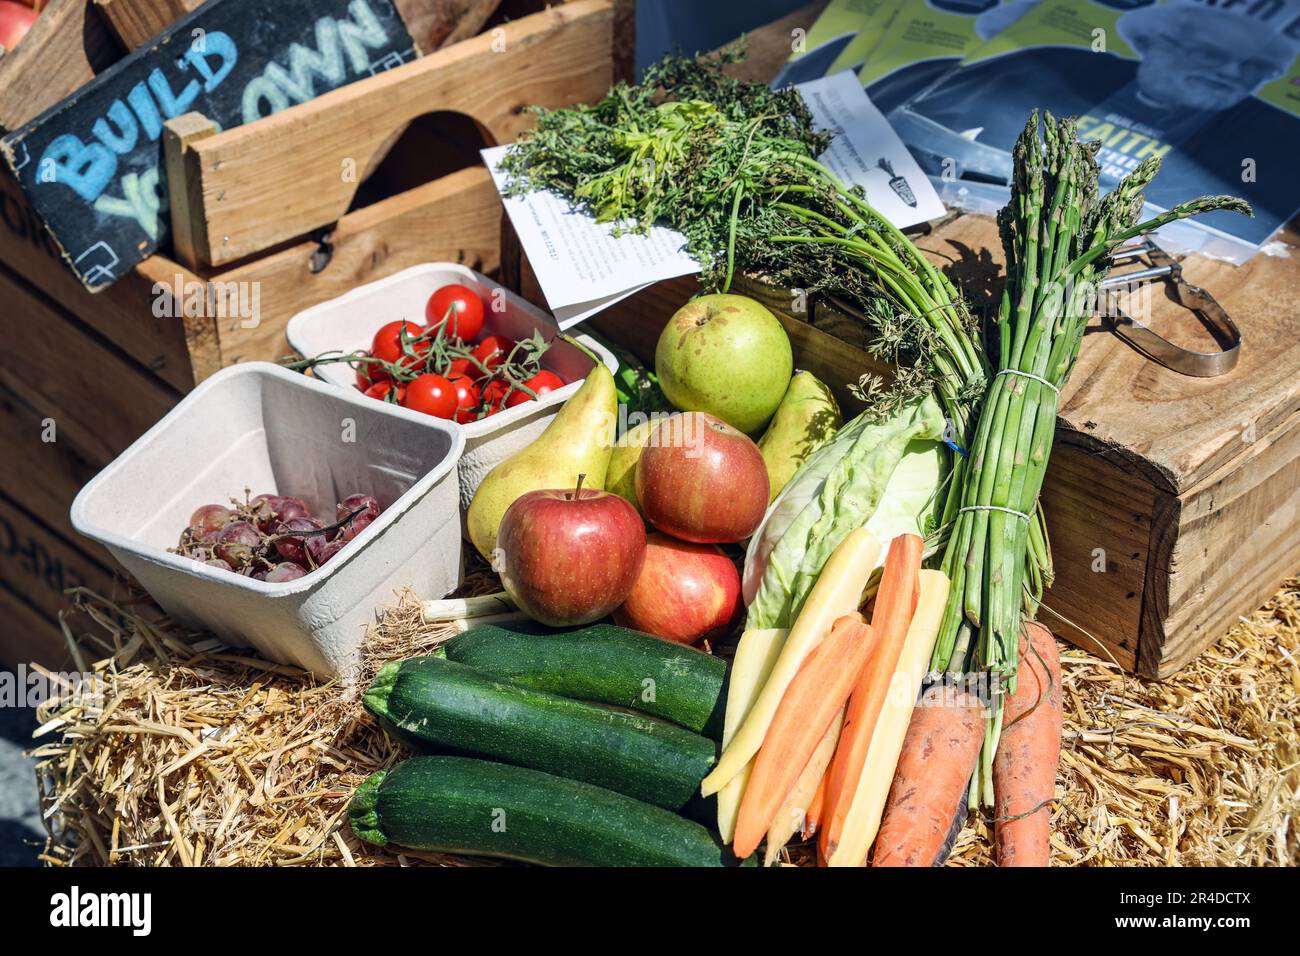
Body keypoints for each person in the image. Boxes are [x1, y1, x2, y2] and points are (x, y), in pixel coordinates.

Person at [895, 0, 1300, 244]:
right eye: (1211, 54)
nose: (1231, 73)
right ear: (1150, 42)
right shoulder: (1052, 64)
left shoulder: (1278, 136)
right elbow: (910, 127)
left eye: (1255, 68)